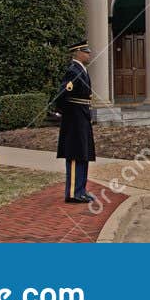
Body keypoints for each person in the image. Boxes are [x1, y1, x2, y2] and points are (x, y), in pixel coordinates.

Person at [56, 41, 96, 204]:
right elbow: (62, 94)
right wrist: (64, 113)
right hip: (74, 119)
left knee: (83, 154)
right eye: (86, 52)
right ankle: (73, 192)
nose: (89, 54)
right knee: (74, 155)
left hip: (82, 116)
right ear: (78, 52)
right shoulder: (74, 71)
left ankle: (81, 190)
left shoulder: (82, 70)